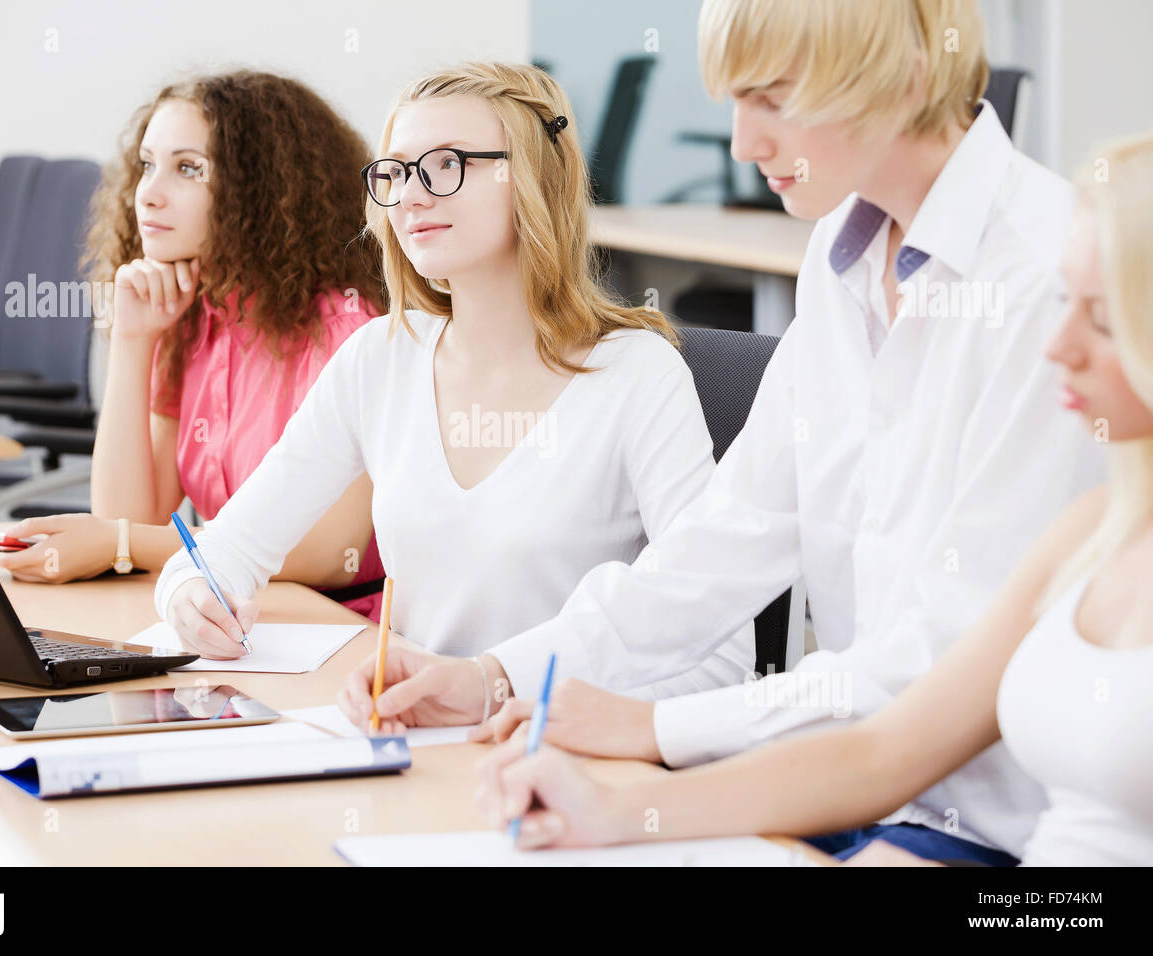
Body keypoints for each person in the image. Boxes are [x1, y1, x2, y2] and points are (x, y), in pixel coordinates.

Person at [343, 0, 1105, 864]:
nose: (743, 145)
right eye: (735, 101)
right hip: (834, 785)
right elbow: (726, 539)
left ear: (906, 77)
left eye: (774, 97)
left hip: (992, 826)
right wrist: (493, 678)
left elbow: (937, 666)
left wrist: (658, 726)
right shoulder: (840, 257)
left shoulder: (1050, 281)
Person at [475, 132, 1153, 867]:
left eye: (1104, 318)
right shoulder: (1098, 528)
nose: (1058, 345)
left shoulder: (1019, 275)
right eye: (1068, 306)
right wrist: (614, 810)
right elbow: (885, 751)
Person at [154, 62, 755, 688]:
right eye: (396, 171)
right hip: (413, 746)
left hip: (558, 755)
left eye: (446, 166)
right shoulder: (380, 359)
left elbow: (722, 655)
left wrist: (499, 693)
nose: (411, 196)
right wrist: (191, 595)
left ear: (532, 178)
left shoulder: (637, 375)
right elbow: (223, 550)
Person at [0, 71, 388, 621]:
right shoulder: (198, 320)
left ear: (263, 189)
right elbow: (129, 511)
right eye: (148, 165)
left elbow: (326, 556)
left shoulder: (348, 331)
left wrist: (121, 545)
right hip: (220, 619)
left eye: (188, 169)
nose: (148, 194)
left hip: (331, 629)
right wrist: (133, 341)